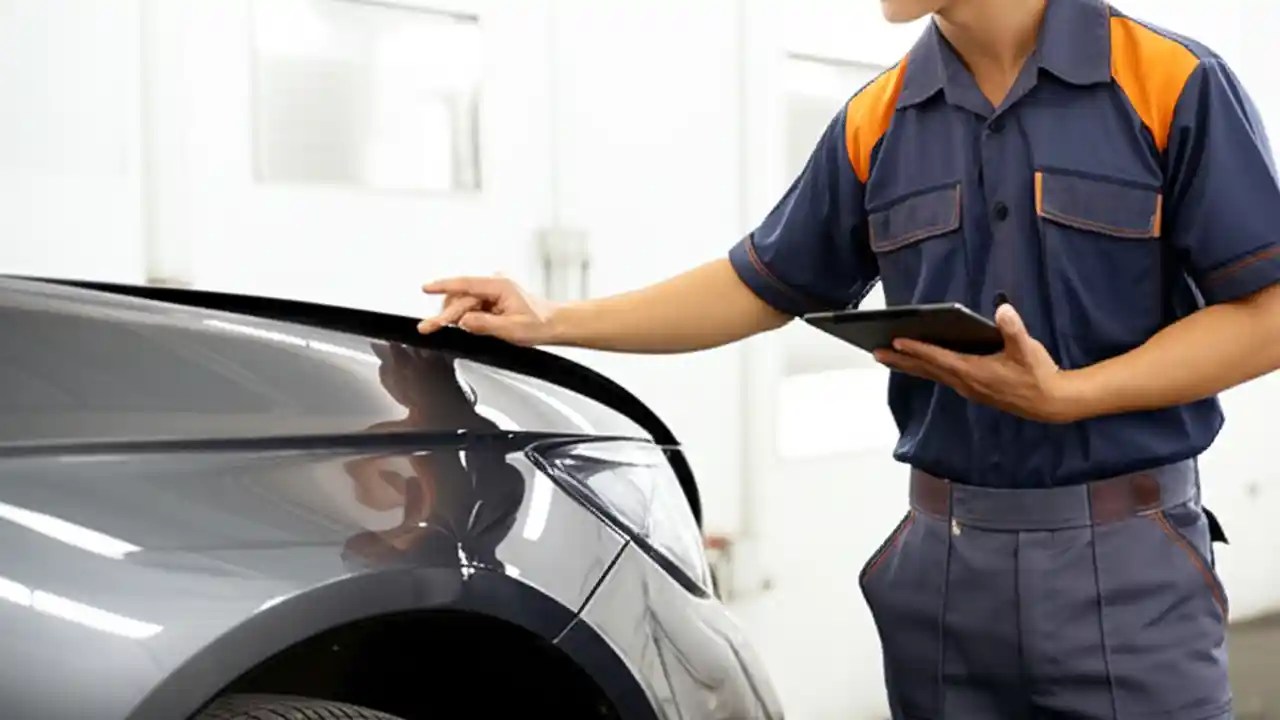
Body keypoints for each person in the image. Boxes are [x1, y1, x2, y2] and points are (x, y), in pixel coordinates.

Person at [418, 0, 1280, 716]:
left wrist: (1074, 396)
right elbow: (761, 282)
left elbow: (1269, 312)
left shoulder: (1169, 84)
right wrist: (553, 318)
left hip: (1127, 563)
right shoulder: (880, 117)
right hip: (944, 571)